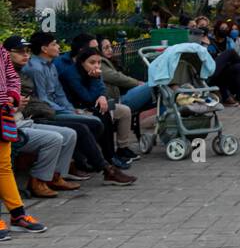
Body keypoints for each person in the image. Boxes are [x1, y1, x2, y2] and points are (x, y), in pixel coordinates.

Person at [21, 32, 135, 185]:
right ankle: (99, 163)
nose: (58, 47)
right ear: (44, 48)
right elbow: (45, 99)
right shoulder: (44, 69)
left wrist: (71, 108)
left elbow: (60, 93)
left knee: (108, 114)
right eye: (54, 44)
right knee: (94, 121)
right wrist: (69, 109)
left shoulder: (52, 65)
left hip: (73, 107)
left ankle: (108, 155)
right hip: (50, 111)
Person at [2, 37, 79, 198]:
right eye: (20, 52)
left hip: (24, 120)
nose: (26, 55)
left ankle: (54, 176)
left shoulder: (20, 73)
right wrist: (15, 104)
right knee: (54, 139)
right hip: (11, 126)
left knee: (70, 134)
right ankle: (38, 180)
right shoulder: (22, 72)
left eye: (27, 51)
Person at [60, 47, 138, 170]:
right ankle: (109, 156)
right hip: (76, 108)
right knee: (103, 113)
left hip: (96, 104)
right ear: (82, 62)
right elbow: (87, 97)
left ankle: (122, 148)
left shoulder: (95, 72)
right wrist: (94, 80)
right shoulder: (71, 74)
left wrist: (102, 96)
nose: (96, 66)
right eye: (92, 62)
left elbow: (102, 89)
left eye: (99, 62)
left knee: (124, 110)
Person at [0, 39, 48, 239]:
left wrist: (12, 96)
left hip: (2, 114)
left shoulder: (1, 52)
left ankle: (18, 215)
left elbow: (11, 76)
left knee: (3, 167)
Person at [207, 22, 240, 106]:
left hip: (223, 71)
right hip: (211, 72)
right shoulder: (207, 42)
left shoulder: (229, 41)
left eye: (226, 28)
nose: (225, 30)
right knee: (230, 52)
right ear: (216, 29)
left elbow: (233, 60)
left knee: (239, 66)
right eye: (222, 28)